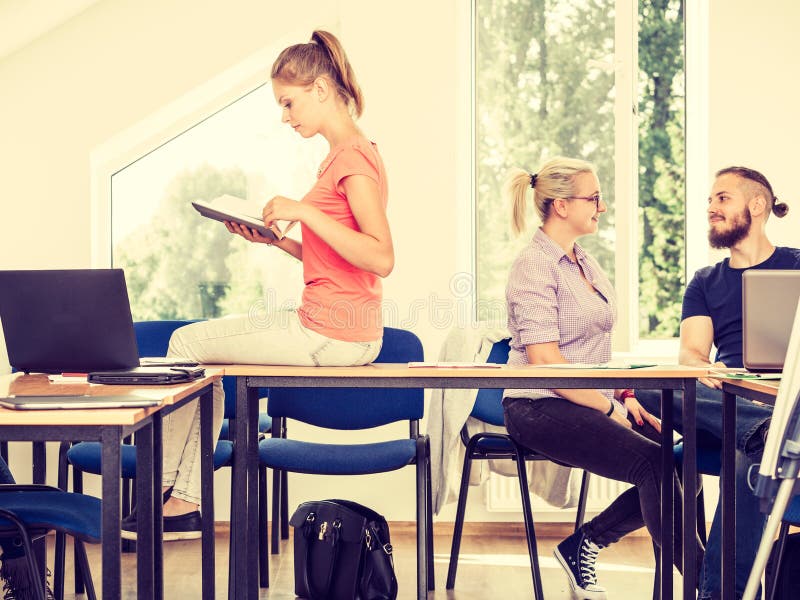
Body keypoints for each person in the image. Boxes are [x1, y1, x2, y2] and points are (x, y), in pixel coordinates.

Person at [122, 30, 394, 540]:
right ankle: (179, 500)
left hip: (331, 332)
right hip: (343, 329)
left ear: (319, 88)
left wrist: (305, 211)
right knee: (207, 360)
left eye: (288, 103)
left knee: (186, 344)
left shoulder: (353, 158)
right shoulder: (348, 156)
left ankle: (170, 498)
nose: (286, 116)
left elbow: (381, 256)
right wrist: (275, 241)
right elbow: (341, 259)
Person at [501, 157, 703, 599]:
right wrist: (608, 406)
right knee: (652, 464)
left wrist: (625, 396)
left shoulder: (584, 261)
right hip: (537, 406)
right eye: (593, 198)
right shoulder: (534, 266)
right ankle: (709, 587)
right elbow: (548, 365)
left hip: (586, 397)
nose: (602, 206)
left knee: (687, 463)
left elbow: (595, 347)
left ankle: (584, 543)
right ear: (560, 205)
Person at [637, 166, 799, 599]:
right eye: (711, 200)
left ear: (757, 205)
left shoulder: (798, 265)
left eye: (722, 198)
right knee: (654, 386)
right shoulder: (705, 283)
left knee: (746, 459)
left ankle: (718, 596)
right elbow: (691, 353)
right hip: (729, 397)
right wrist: (711, 371)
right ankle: (760, 432)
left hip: (790, 400)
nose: (712, 208)